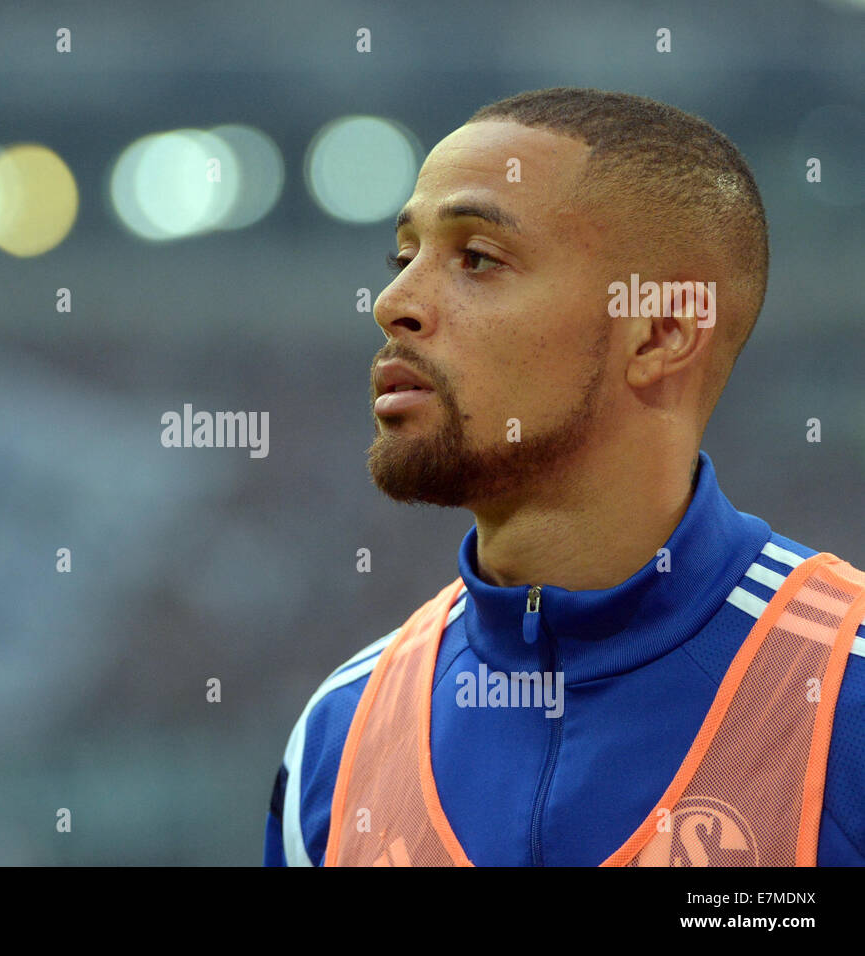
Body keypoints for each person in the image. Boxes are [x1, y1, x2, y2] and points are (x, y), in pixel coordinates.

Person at [263, 87, 865, 867]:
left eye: (476, 258)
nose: (393, 302)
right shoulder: (337, 739)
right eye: (404, 256)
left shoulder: (843, 694)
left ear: (661, 332)